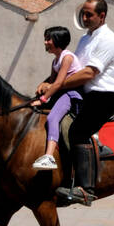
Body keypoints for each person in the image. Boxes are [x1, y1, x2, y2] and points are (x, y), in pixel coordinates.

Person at [51, 0, 114, 206]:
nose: (84, 18)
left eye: (88, 14)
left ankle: (85, 189)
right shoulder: (85, 39)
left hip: (104, 96)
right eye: (82, 13)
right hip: (84, 93)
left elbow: (89, 72)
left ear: (102, 16)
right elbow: (75, 69)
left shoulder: (108, 39)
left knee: (77, 131)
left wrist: (57, 85)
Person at [30, 26, 83, 169]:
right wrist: (43, 85)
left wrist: (43, 99)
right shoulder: (55, 61)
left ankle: (49, 157)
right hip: (61, 93)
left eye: (48, 39)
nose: (45, 42)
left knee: (52, 118)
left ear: (58, 40)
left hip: (72, 94)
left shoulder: (67, 57)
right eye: (45, 39)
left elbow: (59, 83)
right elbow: (52, 83)